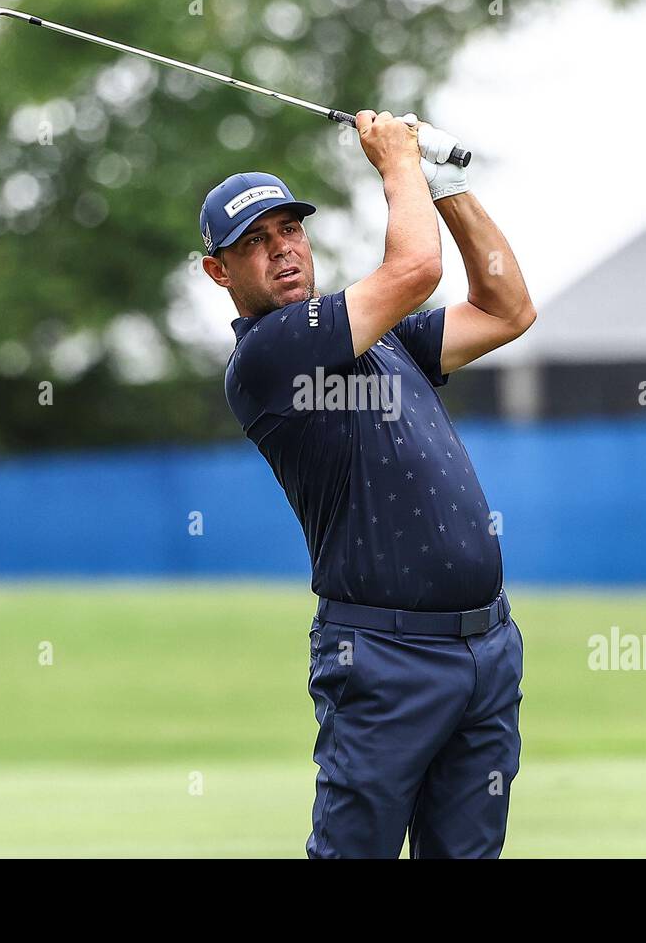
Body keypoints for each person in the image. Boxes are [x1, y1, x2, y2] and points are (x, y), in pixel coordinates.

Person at [198, 110, 536, 858]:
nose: (280, 250)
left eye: (288, 230)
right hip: (383, 658)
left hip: (486, 651)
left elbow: (508, 307)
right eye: (252, 243)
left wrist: (449, 186)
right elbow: (416, 268)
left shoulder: (384, 343)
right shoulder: (269, 355)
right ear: (219, 273)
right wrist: (397, 162)